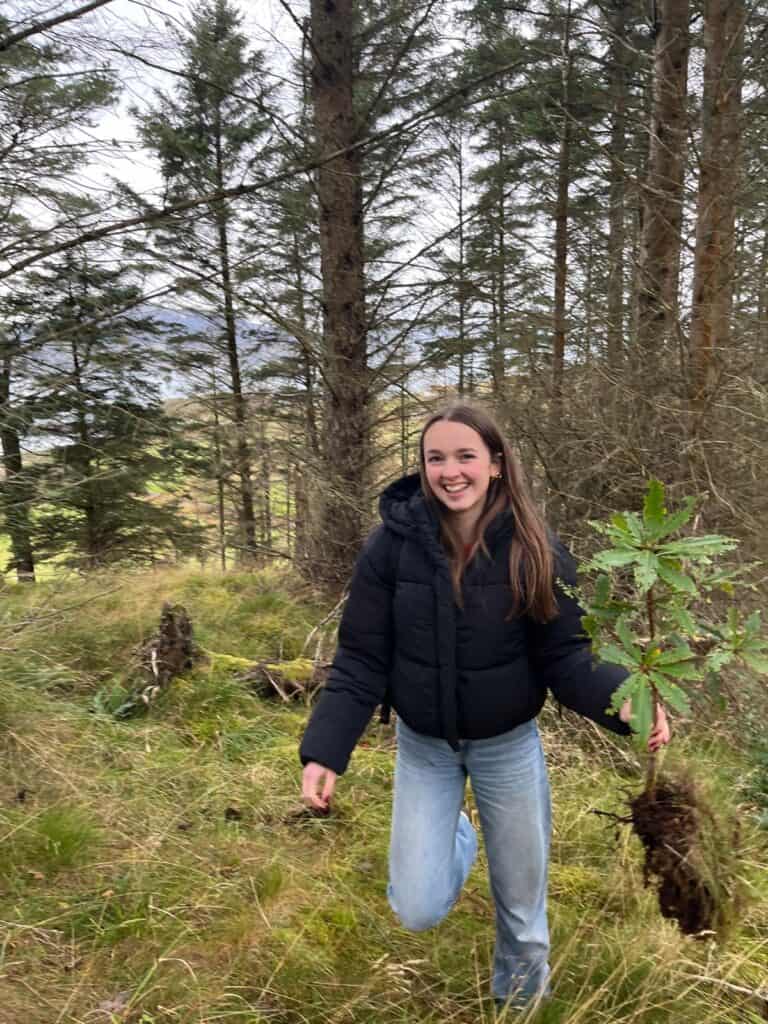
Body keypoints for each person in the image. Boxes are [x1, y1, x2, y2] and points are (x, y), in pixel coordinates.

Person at [300, 402, 670, 1011]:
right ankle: (460, 838)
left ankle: (519, 1004)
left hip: (508, 748)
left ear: (496, 465)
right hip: (425, 749)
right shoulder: (390, 549)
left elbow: (567, 656)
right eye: (435, 457)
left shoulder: (533, 548)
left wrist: (623, 702)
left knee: (522, 908)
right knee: (416, 906)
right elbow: (362, 658)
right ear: (422, 466)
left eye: (466, 456)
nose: (451, 471)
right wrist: (325, 750)